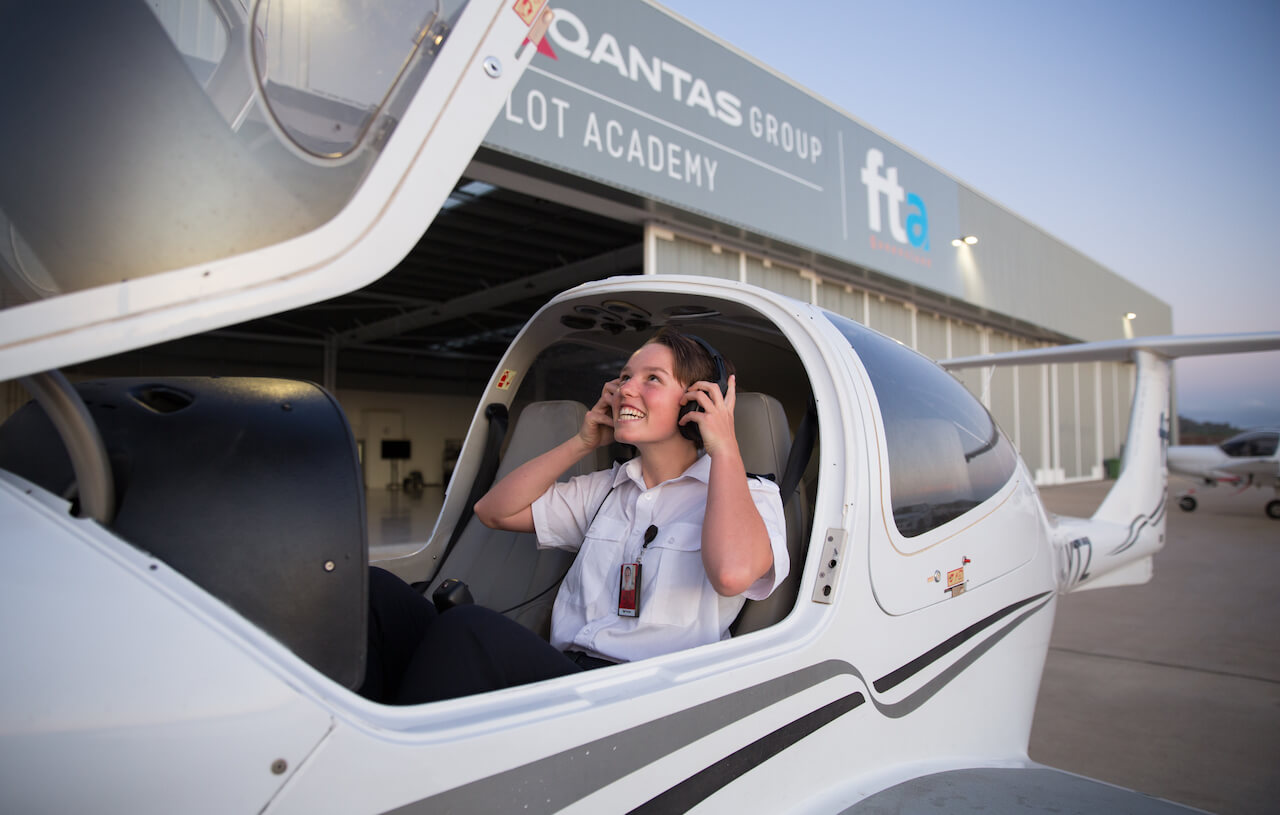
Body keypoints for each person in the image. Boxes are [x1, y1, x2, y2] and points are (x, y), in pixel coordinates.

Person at [358, 327, 789, 704]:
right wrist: (582, 442)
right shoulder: (607, 489)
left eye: (652, 379)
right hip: (566, 677)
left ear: (696, 403)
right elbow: (492, 511)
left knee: (469, 629)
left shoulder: (750, 494)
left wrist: (724, 447)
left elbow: (732, 573)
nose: (625, 390)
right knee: (375, 594)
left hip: (640, 698)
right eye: (623, 378)